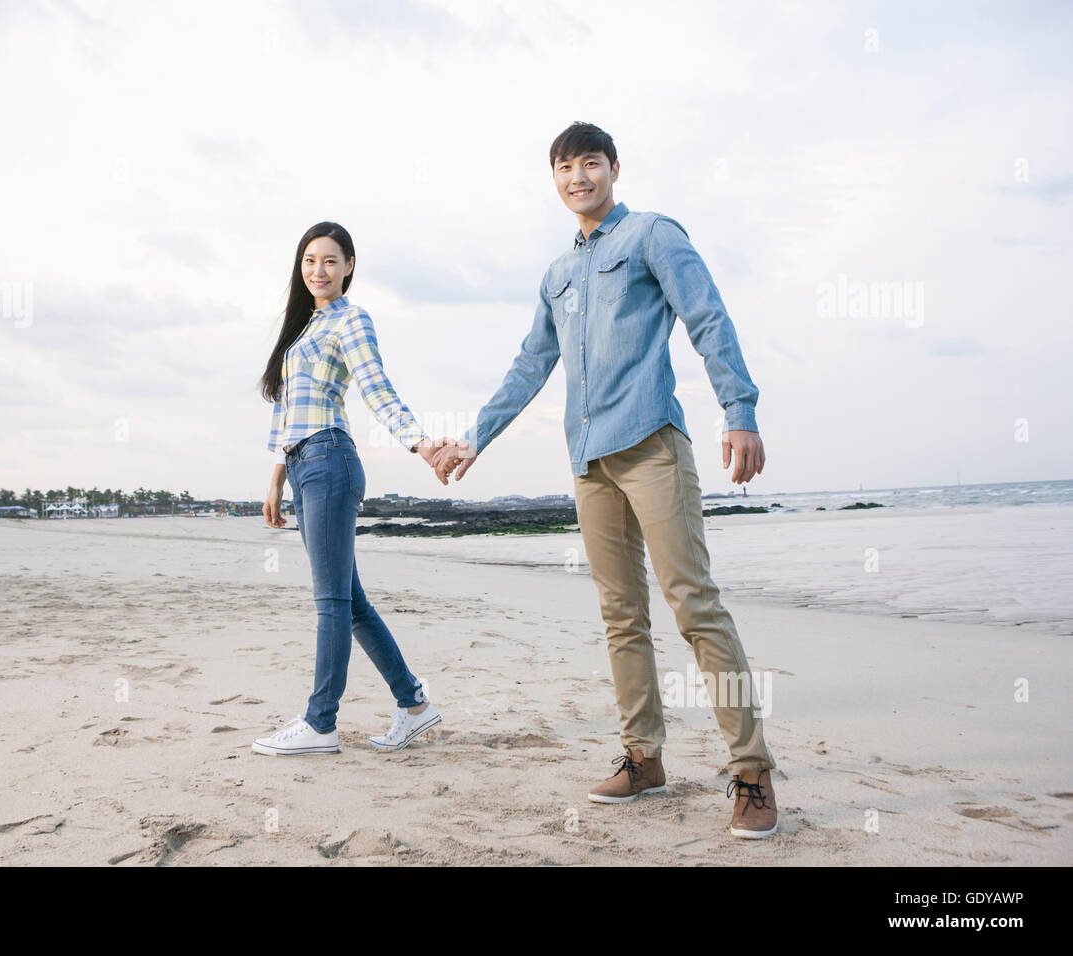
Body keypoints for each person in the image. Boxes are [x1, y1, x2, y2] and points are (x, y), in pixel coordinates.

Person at [432, 123, 780, 838]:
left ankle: (751, 771)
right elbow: (531, 364)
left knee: (695, 607)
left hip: (652, 442)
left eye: (589, 162)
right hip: (588, 461)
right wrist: (474, 437)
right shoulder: (556, 275)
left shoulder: (652, 235)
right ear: (554, 180)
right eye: (563, 166)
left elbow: (706, 316)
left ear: (614, 168)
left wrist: (738, 410)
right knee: (622, 617)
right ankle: (644, 758)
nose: (577, 176)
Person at [254, 221, 446, 756]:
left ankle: (321, 724)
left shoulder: (351, 320)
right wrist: (275, 481)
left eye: (331, 261)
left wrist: (421, 443)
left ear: (349, 267)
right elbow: (285, 412)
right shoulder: (301, 329)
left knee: (331, 601)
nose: (319, 270)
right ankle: (415, 705)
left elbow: (376, 389)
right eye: (310, 260)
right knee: (350, 600)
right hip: (303, 467)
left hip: (329, 461)